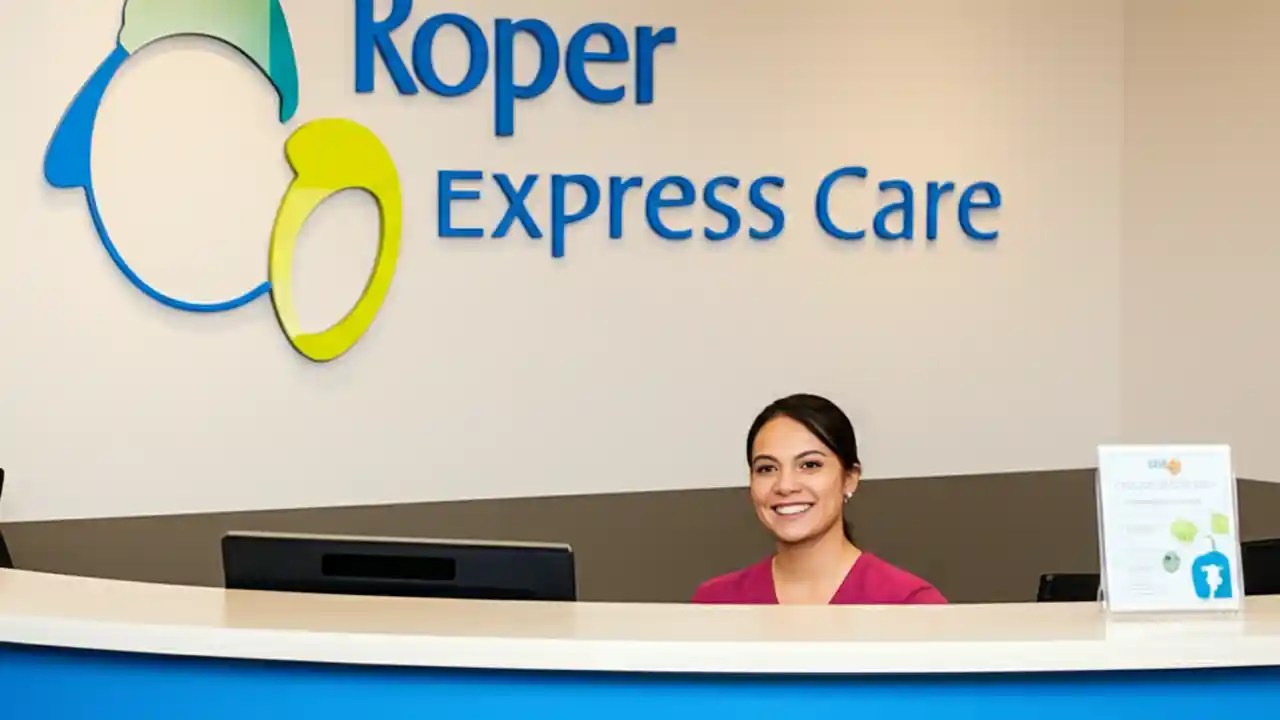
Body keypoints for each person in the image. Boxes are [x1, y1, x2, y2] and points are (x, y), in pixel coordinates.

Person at [692, 394, 946, 605]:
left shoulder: (909, 604)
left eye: (810, 464)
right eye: (767, 468)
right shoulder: (715, 602)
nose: (785, 486)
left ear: (850, 478)